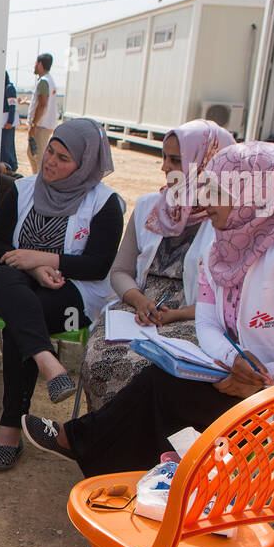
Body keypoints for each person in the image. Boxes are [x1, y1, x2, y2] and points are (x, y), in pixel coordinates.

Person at [22, 141, 274, 478]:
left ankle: (107, 470)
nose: (206, 200)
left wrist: (266, 377)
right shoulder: (224, 249)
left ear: (258, 197)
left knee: (168, 397)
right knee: (160, 383)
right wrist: (235, 364)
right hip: (251, 388)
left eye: (218, 192)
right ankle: (136, 498)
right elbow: (207, 321)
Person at [0, 117, 123, 471]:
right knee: (4, 279)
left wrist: (44, 258)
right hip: (16, 283)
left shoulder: (105, 203)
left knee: (20, 320)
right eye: (51, 151)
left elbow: (98, 266)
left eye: (63, 158)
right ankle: (50, 364)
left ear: (85, 165)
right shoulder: (23, 189)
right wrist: (30, 267)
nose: (51, 162)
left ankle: (9, 430)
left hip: (71, 295)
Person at [79, 120, 234, 409]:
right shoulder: (151, 207)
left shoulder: (225, 222)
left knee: (146, 368)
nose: (164, 167)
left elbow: (229, 300)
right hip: (138, 311)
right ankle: (105, 444)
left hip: (195, 319)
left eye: (176, 159)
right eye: (164, 157)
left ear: (207, 164)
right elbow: (120, 272)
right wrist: (138, 300)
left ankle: (136, 447)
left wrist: (175, 315)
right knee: (99, 355)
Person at [26, 53, 60, 174]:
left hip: (41, 125)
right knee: (32, 154)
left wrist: (33, 125)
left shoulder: (44, 81)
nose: (34, 66)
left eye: (36, 63)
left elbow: (42, 105)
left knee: (37, 156)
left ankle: (38, 184)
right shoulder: (49, 80)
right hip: (45, 124)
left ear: (40, 64)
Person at [2, 72, 20, 174]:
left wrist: (10, 121)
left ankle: (12, 165)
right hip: (3, 122)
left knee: (7, 144)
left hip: (7, 123)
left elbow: (12, 105)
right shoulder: (4, 88)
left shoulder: (9, 88)